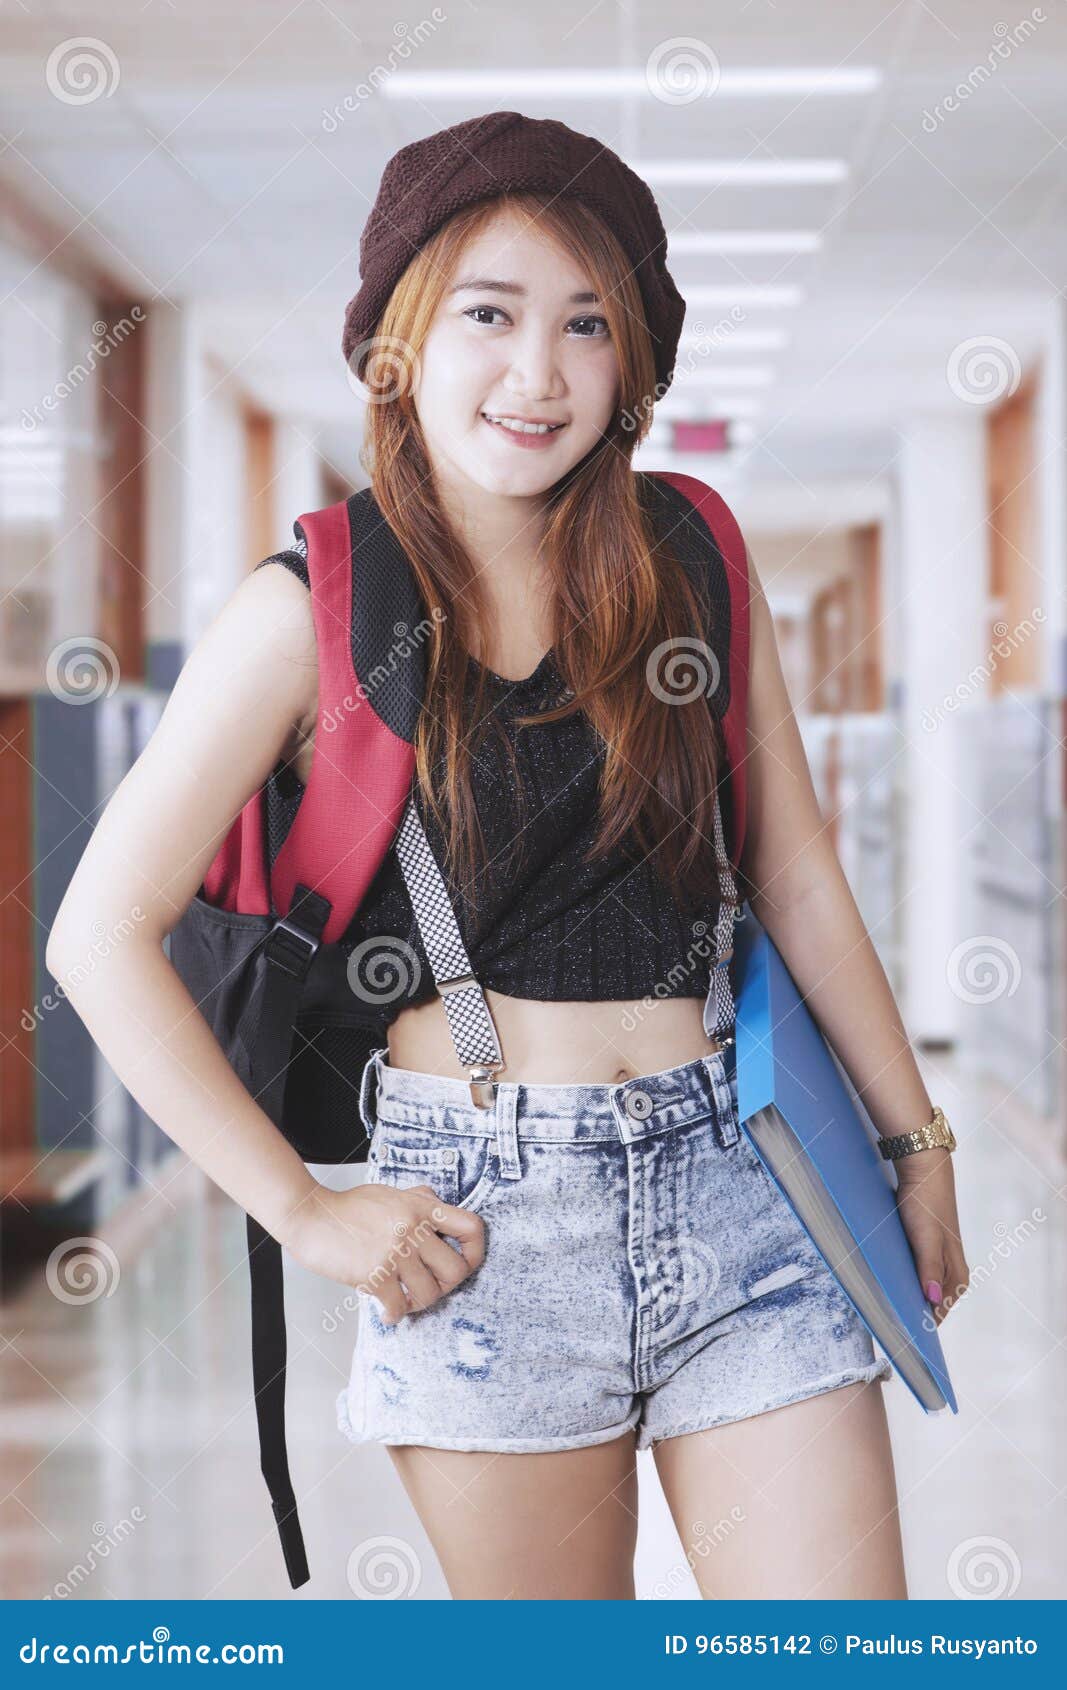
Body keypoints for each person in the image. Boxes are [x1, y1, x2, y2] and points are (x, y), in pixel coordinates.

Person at [47, 112, 969, 1602]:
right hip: (482, 1223)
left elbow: (794, 873)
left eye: (586, 325)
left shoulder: (694, 556)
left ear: (630, 371)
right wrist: (301, 1205)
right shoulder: (315, 609)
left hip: (744, 1182)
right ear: (402, 342)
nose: (538, 372)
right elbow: (96, 932)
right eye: (490, 314)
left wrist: (916, 1139)